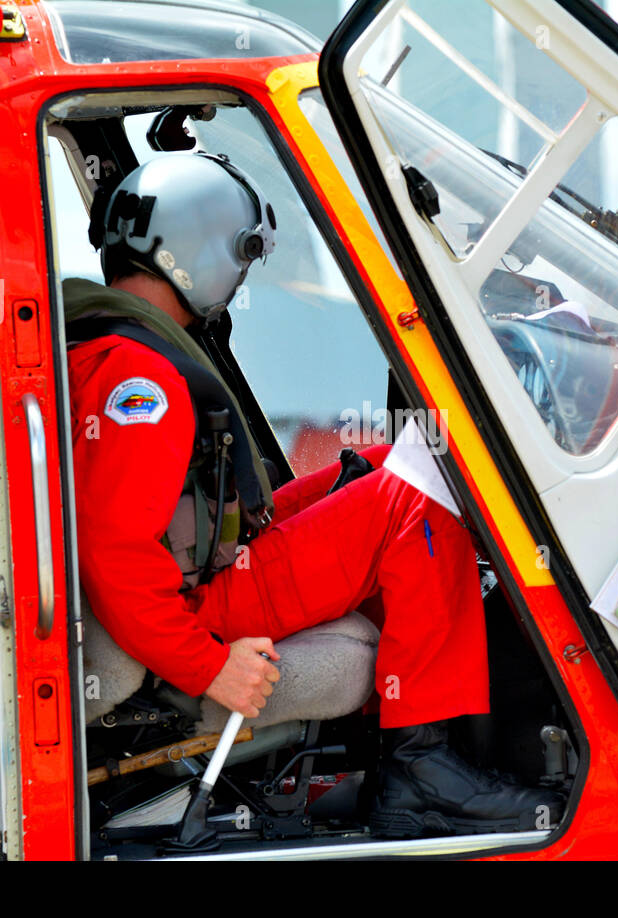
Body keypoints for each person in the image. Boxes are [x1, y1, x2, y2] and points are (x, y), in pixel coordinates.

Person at [66, 150, 562, 837]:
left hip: (209, 564)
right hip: (201, 607)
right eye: (236, 259)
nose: (236, 278)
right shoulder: (140, 383)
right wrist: (209, 666)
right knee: (417, 500)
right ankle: (421, 772)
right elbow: (114, 553)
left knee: (403, 462)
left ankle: (430, 732)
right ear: (198, 254)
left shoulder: (103, 346)